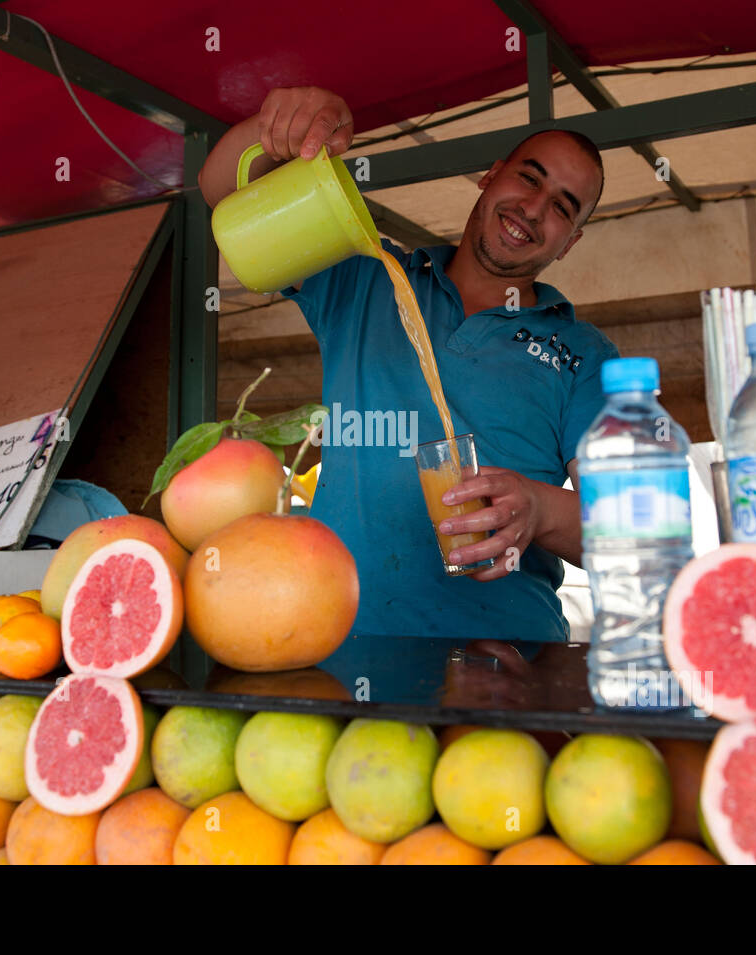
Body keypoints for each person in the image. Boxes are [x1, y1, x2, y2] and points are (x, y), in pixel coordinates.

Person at [199, 86, 617, 686]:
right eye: (529, 178)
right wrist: (289, 127)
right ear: (489, 175)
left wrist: (540, 509)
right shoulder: (365, 277)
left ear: (571, 240)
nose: (533, 208)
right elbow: (226, 196)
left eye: (562, 206)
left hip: (505, 674)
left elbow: (636, 536)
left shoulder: (584, 355)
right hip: (340, 650)